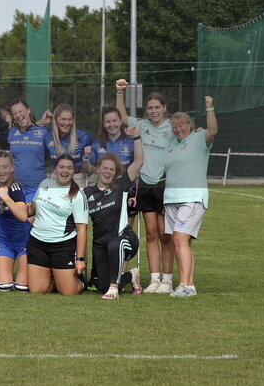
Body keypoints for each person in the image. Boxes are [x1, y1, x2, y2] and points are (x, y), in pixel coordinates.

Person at [116, 79, 176, 293]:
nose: (153, 111)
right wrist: (120, 92)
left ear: (164, 108)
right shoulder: (142, 124)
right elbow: (122, 117)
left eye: (157, 107)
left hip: (164, 184)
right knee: (150, 233)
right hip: (145, 185)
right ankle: (154, 279)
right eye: (150, 108)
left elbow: (188, 133)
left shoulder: (173, 127)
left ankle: (167, 281)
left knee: (165, 235)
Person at [162, 98, 217, 298]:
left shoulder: (199, 138)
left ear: (189, 125)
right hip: (171, 200)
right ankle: (189, 285)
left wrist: (210, 108)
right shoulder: (171, 146)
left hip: (192, 197)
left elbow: (213, 130)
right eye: (174, 126)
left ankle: (186, 285)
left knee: (179, 239)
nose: (178, 129)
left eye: (181, 125)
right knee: (183, 243)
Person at [15, 155, 88, 295]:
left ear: (74, 171)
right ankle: (57, 279)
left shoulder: (77, 194)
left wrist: (80, 259)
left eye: (69, 168)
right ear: (55, 169)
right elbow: (33, 210)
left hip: (62, 245)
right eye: (61, 167)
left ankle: (79, 282)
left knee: (68, 292)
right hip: (38, 243)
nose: (65, 171)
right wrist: (18, 205)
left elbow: (82, 229)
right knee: (37, 291)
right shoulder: (44, 184)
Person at [85, 128, 145, 300]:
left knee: (115, 243)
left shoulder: (121, 185)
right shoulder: (87, 193)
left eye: (112, 169)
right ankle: (131, 275)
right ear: (98, 169)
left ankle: (114, 288)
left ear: (116, 173)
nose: (108, 172)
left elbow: (139, 162)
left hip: (126, 240)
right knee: (103, 286)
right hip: (101, 246)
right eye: (105, 168)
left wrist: (136, 137)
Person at [0, 152, 31, 292]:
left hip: (24, 242)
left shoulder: (16, 188)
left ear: (12, 168)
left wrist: (6, 197)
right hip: (4, 242)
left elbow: (23, 216)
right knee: (4, 287)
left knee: (22, 288)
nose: (1, 171)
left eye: (5, 167)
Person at [6, 100, 50, 203]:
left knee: (29, 212)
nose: (18, 115)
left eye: (20, 111)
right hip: (15, 187)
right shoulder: (11, 132)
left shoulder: (44, 132)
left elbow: (50, 157)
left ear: (28, 110)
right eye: (15, 113)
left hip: (37, 186)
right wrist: (40, 122)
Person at [46, 104, 94, 186]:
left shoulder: (84, 136)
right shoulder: (47, 137)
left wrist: (86, 158)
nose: (67, 123)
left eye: (70, 119)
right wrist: (41, 123)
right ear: (56, 120)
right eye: (63, 119)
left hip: (77, 179)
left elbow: (89, 171)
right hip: (56, 179)